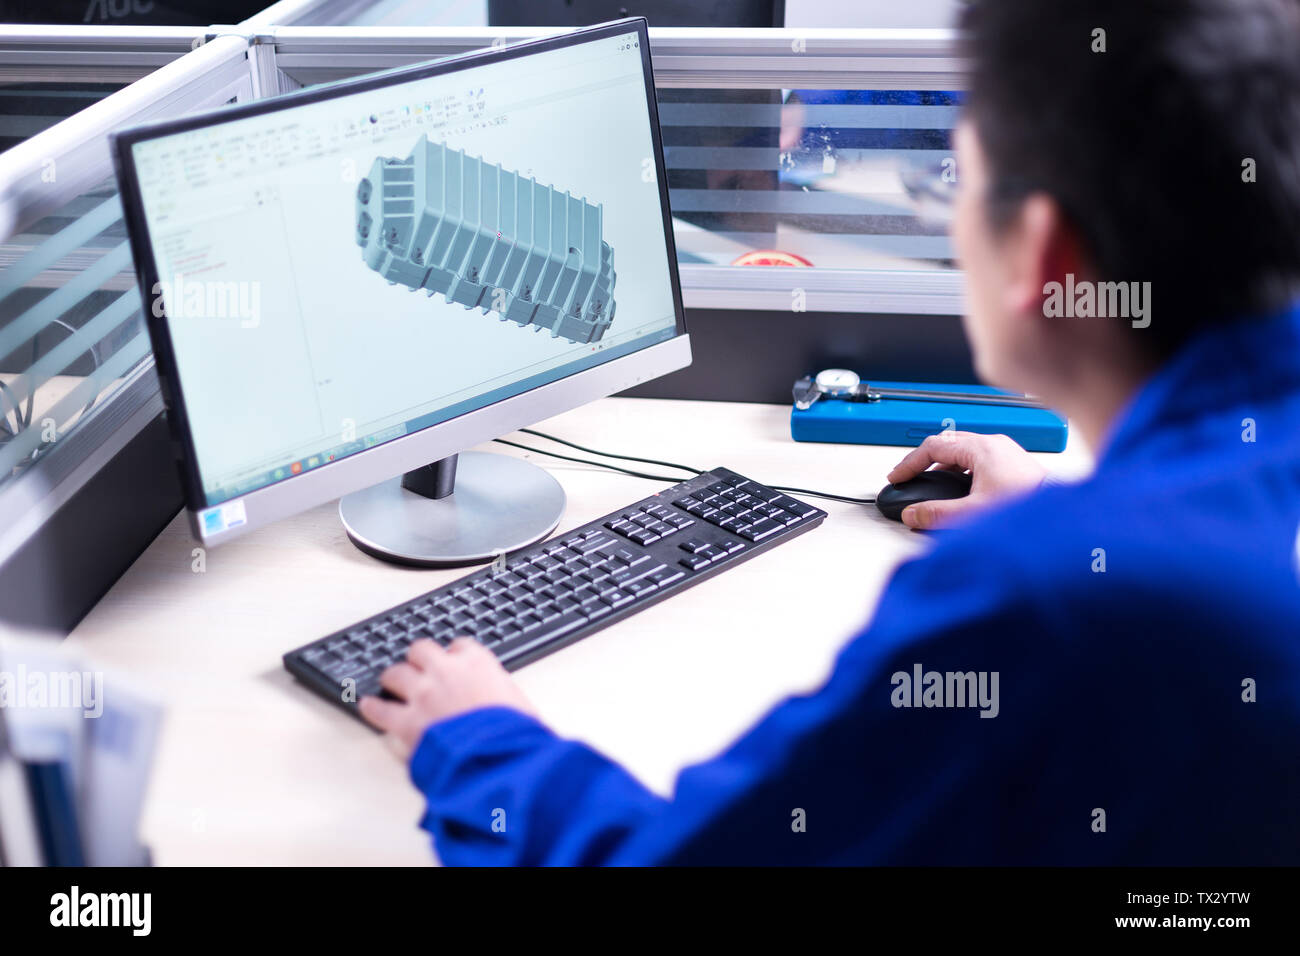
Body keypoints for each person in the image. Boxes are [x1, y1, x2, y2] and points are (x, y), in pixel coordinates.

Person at [358, 0, 1300, 865]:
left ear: (1042, 257)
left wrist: (477, 736)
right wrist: (1081, 521)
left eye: (957, 185)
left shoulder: (1035, 599)